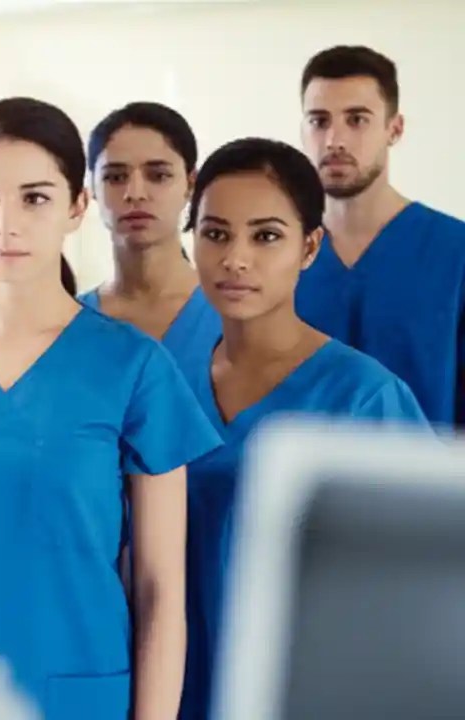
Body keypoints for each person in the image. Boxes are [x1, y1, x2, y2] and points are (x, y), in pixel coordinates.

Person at [0, 96, 221, 720]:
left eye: (35, 197)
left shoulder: (134, 370)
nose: (5, 223)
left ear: (77, 206)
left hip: (79, 694)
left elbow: (160, 590)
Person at [178, 137, 429, 720]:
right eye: (215, 233)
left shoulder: (365, 397)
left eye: (266, 236)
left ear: (310, 246)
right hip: (180, 686)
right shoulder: (163, 381)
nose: (236, 258)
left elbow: (412, 588)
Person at [293, 45, 465, 430]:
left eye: (357, 119)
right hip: (304, 483)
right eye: (319, 120)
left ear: (395, 128)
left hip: (427, 485)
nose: (335, 139)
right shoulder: (276, 254)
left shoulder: (454, 252)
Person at [81, 102, 221, 368]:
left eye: (158, 175)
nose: (135, 193)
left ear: (191, 185)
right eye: (115, 177)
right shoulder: (69, 324)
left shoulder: (233, 313)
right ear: (93, 190)